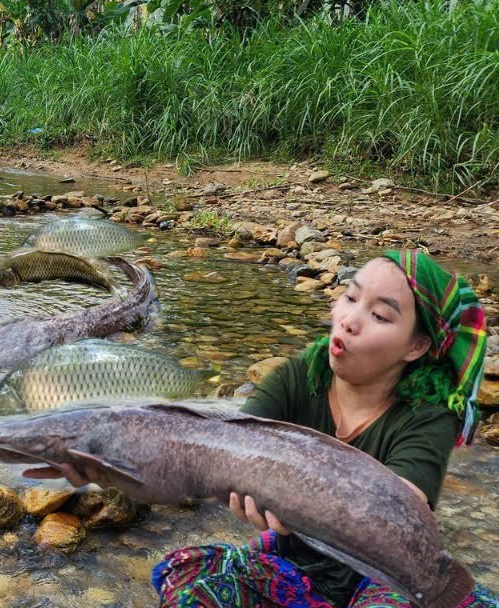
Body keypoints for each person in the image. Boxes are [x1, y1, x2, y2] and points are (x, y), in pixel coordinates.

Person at [26, 250, 494, 608]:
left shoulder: (428, 414)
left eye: (380, 315)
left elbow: (399, 510)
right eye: (351, 297)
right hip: (297, 559)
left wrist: (284, 491)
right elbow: (217, 444)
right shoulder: (296, 377)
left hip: (381, 575)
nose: (349, 320)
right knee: (185, 585)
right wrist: (105, 463)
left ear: (416, 346)